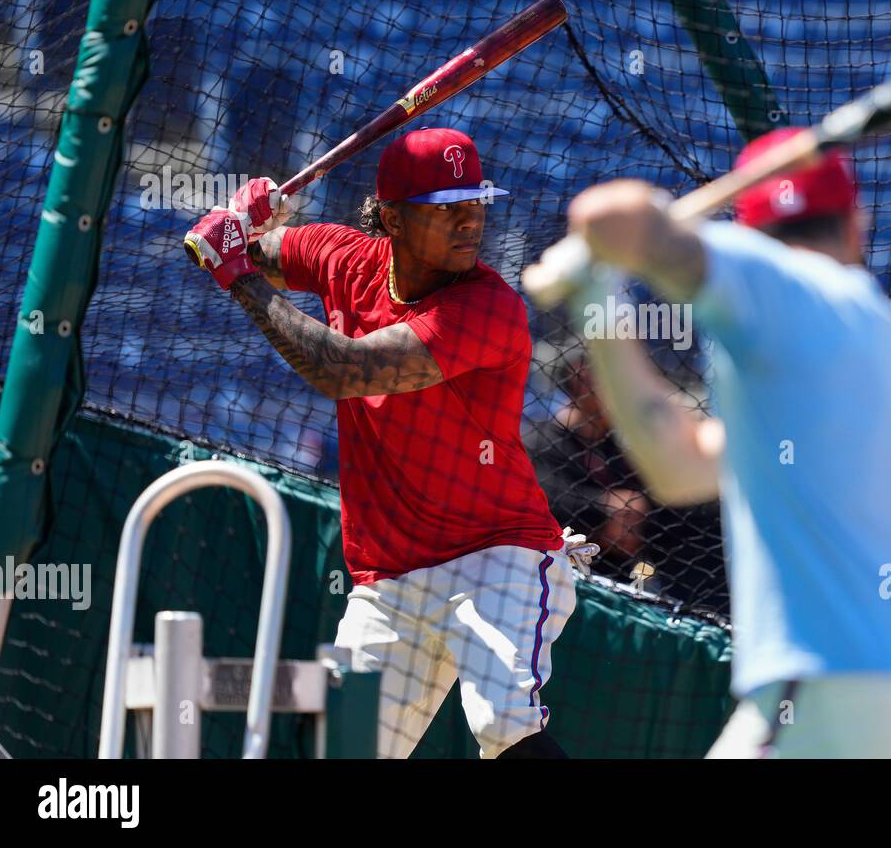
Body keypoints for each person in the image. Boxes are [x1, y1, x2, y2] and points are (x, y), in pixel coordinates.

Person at [552, 128, 891, 757]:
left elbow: (609, 214)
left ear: (750, 228)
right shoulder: (890, 341)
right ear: (857, 225)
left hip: (837, 681)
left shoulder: (777, 279)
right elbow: (678, 465)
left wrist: (601, 251)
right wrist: (596, 297)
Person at [184, 127, 595, 759]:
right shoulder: (345, 257)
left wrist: (236, 270)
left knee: (503, 719)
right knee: (347, 744)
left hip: (498, 554)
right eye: (447, 209)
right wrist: (239, 221)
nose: (469, 223)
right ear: (392, 219)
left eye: (475, 204)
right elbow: (237, 250)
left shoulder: (489, 308)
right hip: (392, 575)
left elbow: (346, 369)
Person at [522, 344, 654, 586]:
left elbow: (646, 510)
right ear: (578, 381)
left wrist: (623, 516)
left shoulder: (617, 445)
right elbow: (547, 503)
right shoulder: (540, 440)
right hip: (550, 573)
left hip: (619, 578)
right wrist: (605, 510)